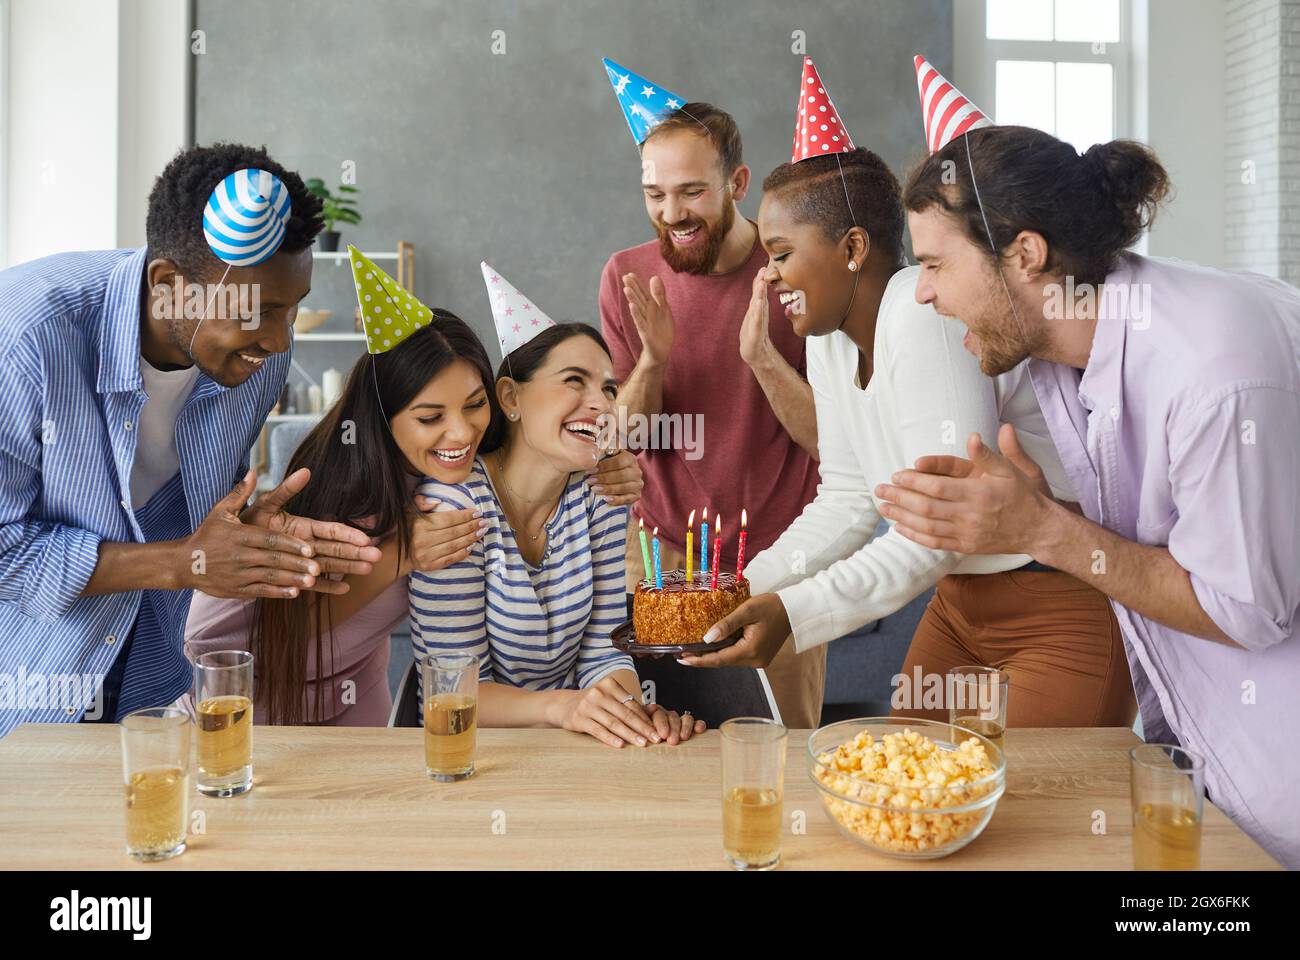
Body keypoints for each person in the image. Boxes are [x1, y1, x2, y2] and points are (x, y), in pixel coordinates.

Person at [878, 122, 1300, 868]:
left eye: (937, 265)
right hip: (1206, 758)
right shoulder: (1065, 352)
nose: (926, 294)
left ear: (1026, 255)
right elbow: (1168, 542)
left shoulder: (1210, 373)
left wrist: (1047, 531)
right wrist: (1052, 515)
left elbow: (1248, 609)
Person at [683, 60, 1134, 731]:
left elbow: (943, 530)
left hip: (1059, 602)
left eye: (780, 253)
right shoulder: (828, 338)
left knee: (1038, 817)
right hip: (958, 605)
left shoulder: (919, 313)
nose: (771, 276)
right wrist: (739, 592)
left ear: (853, 248)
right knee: (904, 795)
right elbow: (845, 500)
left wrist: (795, 614)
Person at [0, 144, 383, 734]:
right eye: (260, 311)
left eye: (292, 309)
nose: (282, 342)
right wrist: (184, 562)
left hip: (154, 679)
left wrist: (247, 534)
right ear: (170, 285)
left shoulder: (255, 361)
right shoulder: (26, 338)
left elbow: (192, 506)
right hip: (29, 690)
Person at [186, 250, 645, 725]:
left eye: (474, 405)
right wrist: (401, 554)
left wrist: (613, 460)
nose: (463, 434)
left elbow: (531, 451)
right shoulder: (336, 502)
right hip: (244, 709)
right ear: (383, 418)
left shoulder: (453, 488)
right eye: (429, 417)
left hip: (355, 707)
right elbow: (210, 643)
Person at [598, 82, 825, 728]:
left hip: (780, 559)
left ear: (737, 182)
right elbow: (626, 439)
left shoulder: (792, 274)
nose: (672, 212)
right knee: (664, 750)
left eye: (691, 191)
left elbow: (831, 442)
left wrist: (762, 358)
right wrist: (653, 358)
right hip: (661, 562)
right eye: (655, 195)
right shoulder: (626, 276)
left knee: (782, 749)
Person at [410, 265, 703, 747]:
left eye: (609, 389)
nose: (601, 404)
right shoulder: (453, 507)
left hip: (572, 744)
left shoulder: (604, 497)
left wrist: (631, 718)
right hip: (471, 750)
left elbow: (604, 656)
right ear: (510, 398)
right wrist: (563, 707)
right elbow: (450, 690)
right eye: (574, 381)